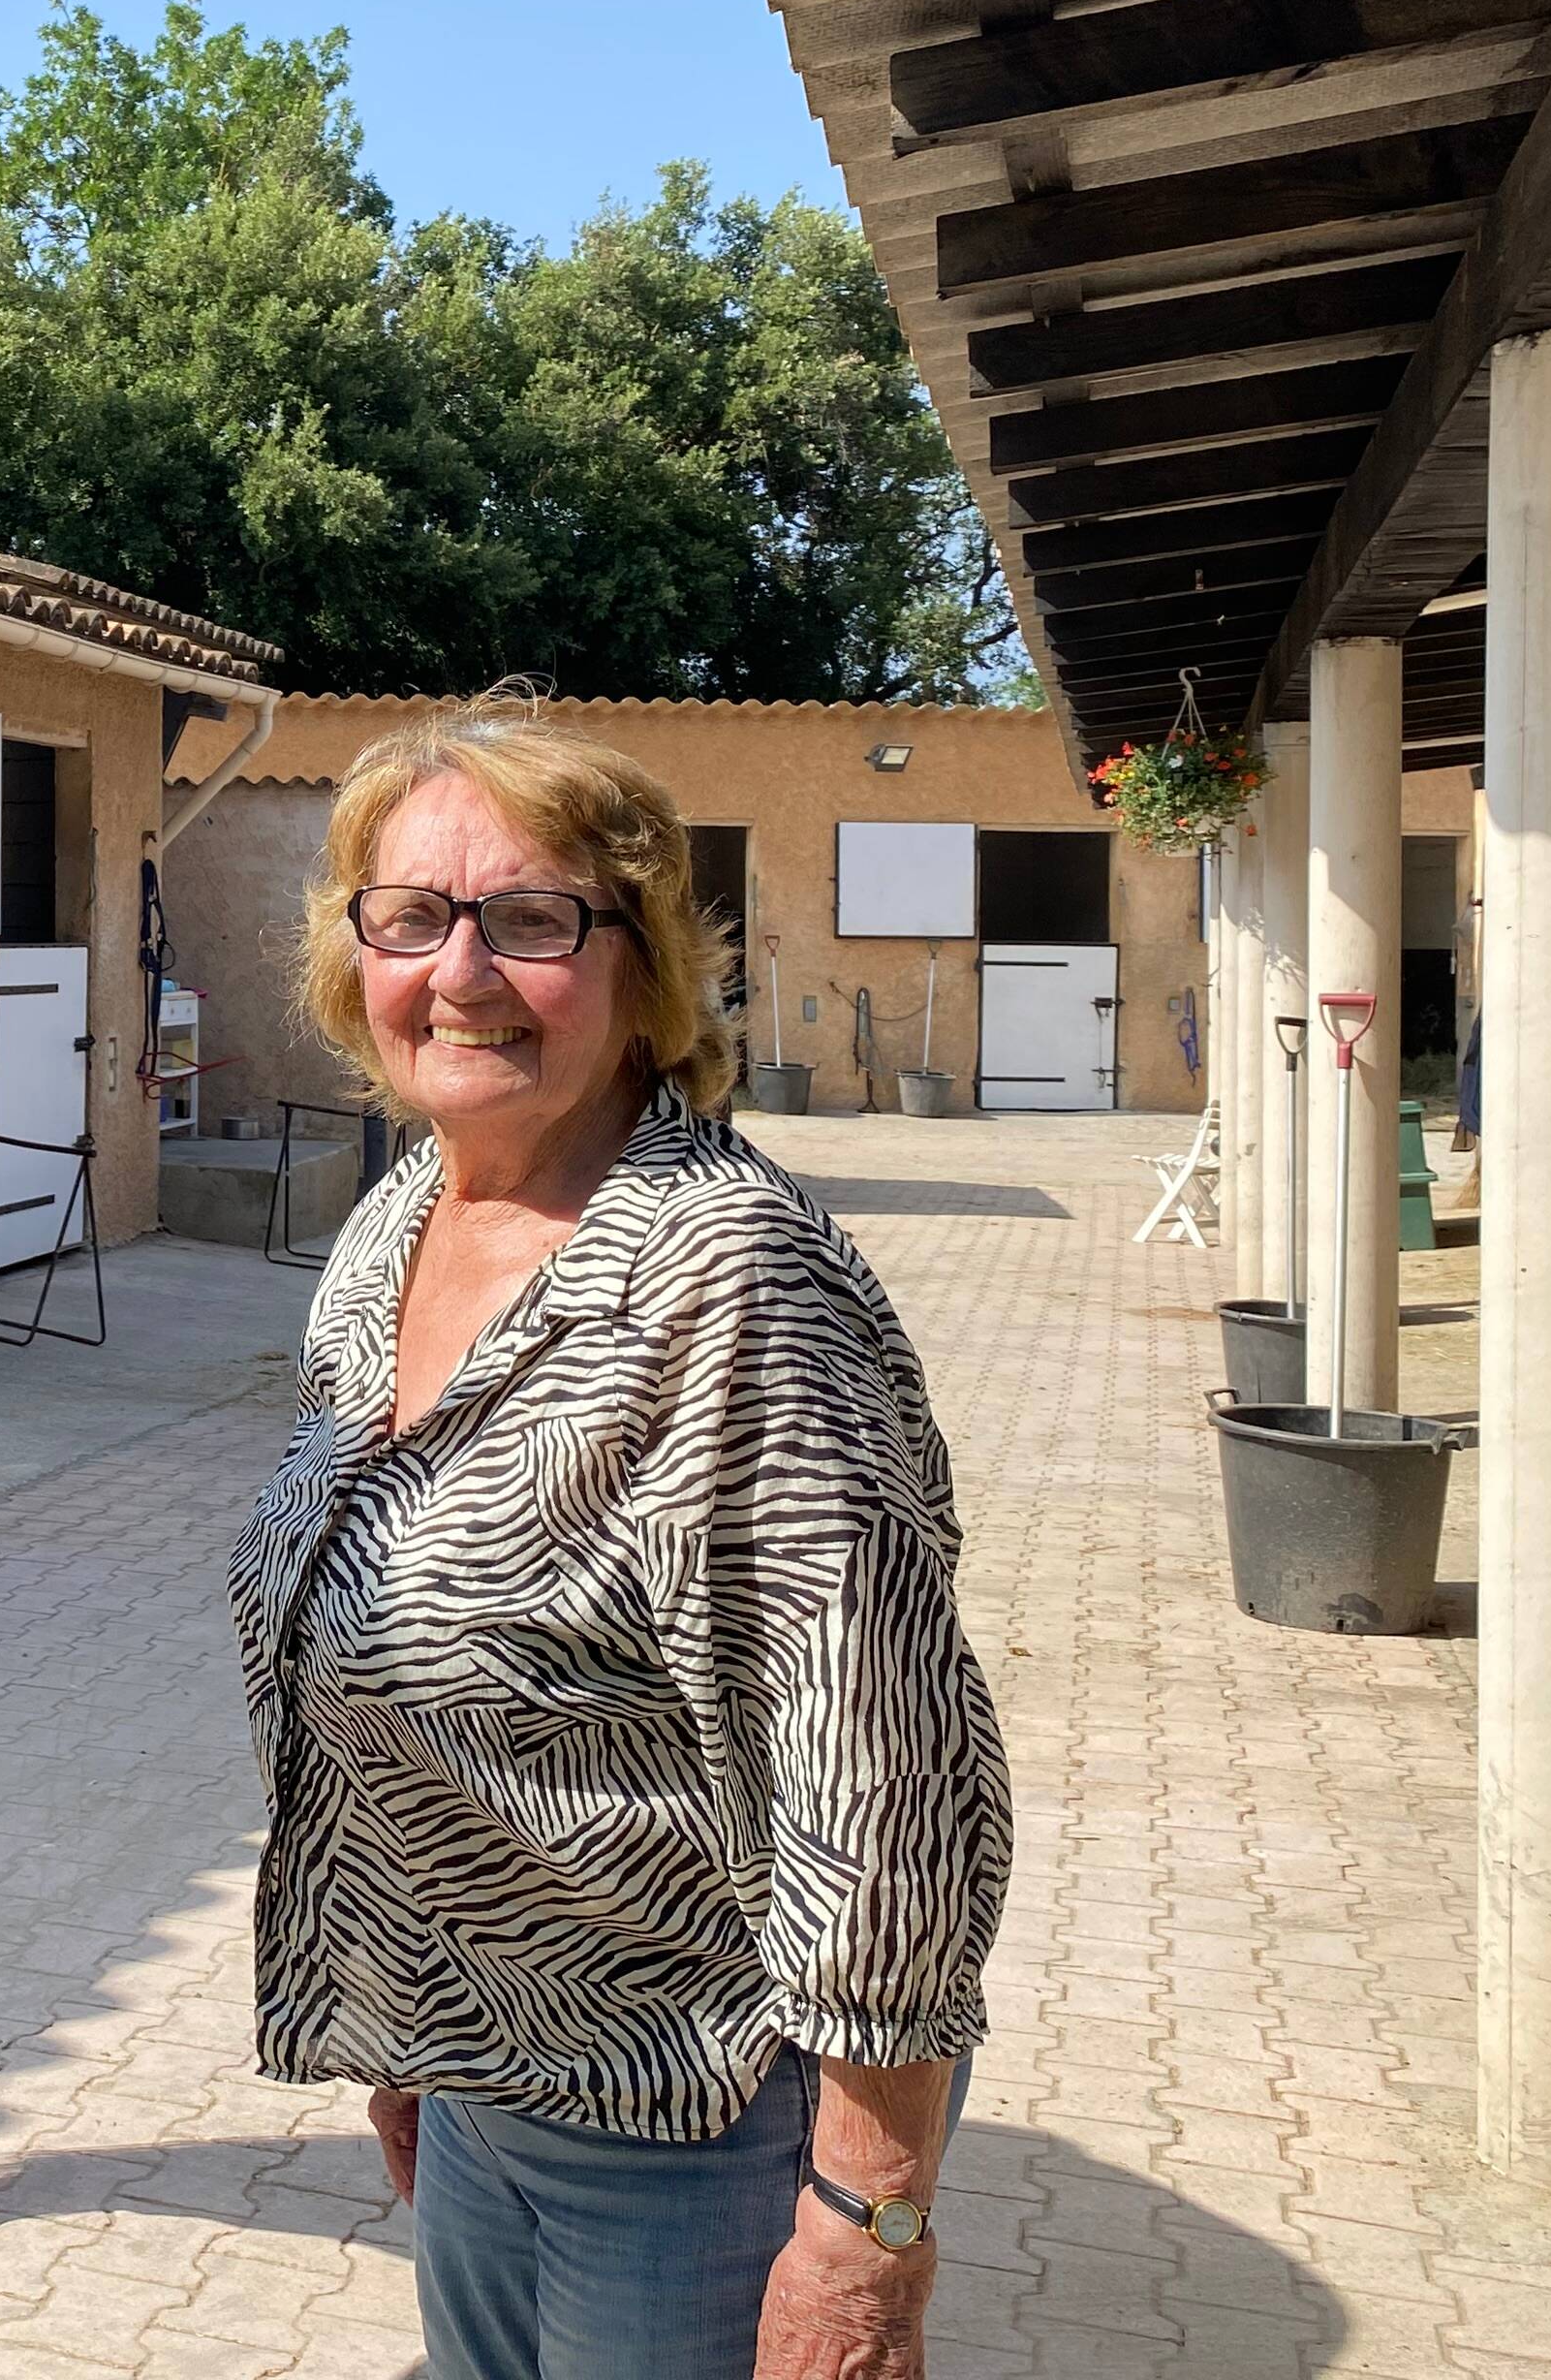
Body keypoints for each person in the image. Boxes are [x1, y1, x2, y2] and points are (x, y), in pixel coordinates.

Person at [231, 697, 1009, 2380]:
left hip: (696, 2128)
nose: (459, 971)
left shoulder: (726, 1278)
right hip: (478, 2080)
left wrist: (866, 2220)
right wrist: (406, 2019)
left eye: (529, 919)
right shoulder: (395, 1227)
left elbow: (875, 1771)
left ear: (642, 961)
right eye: (411, 916)